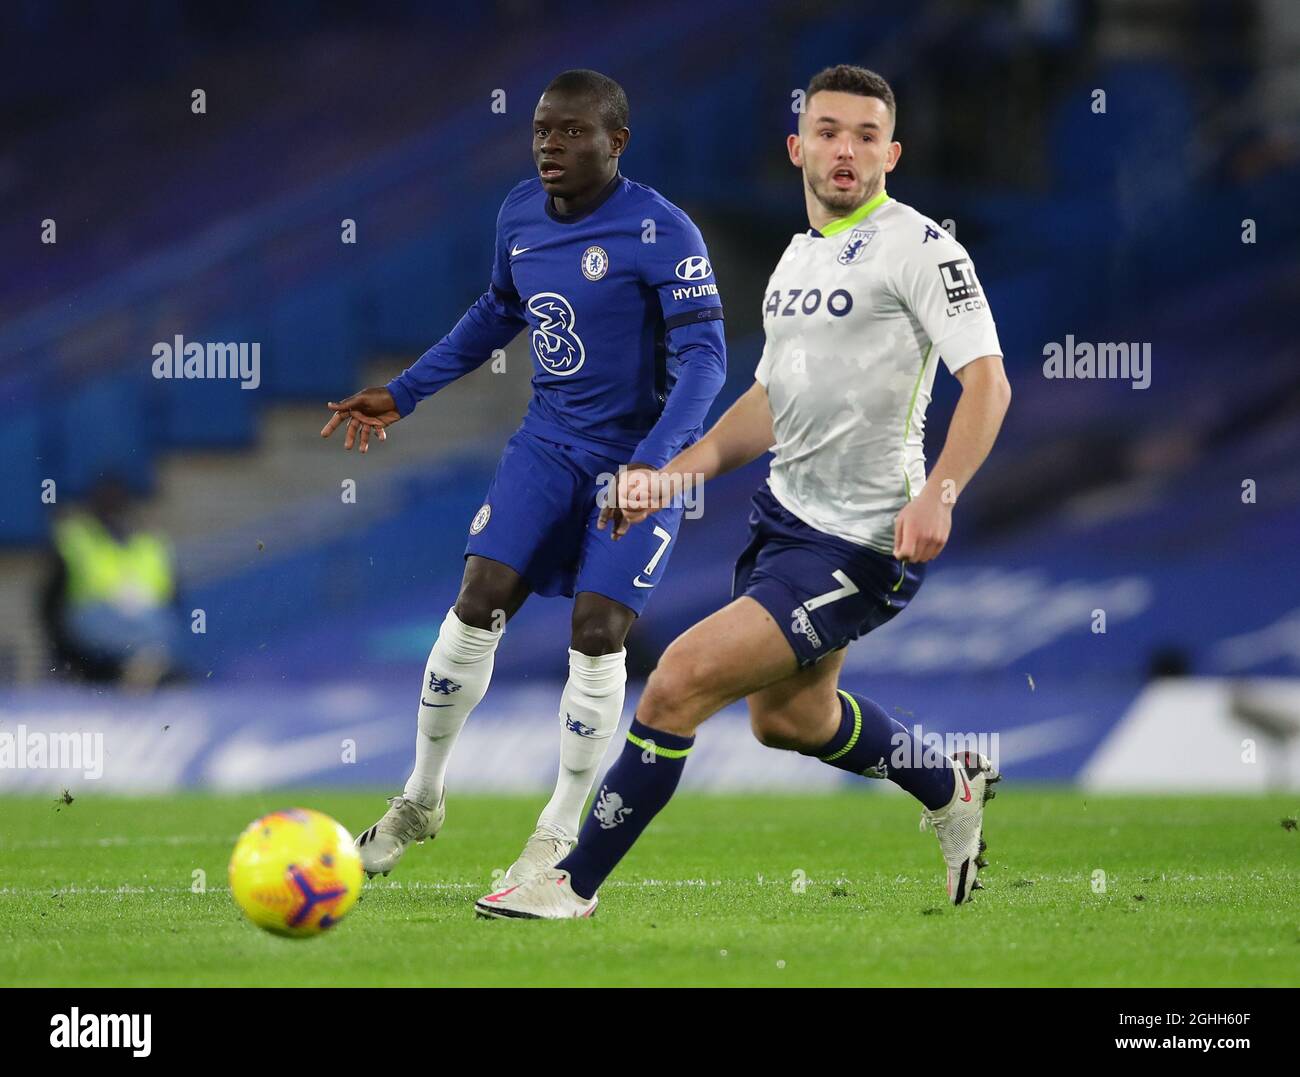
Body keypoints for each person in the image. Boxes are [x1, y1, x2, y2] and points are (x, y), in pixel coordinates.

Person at [476, 64, 1011, 919]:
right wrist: (667, 477)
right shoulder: (797, 259)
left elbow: (988, 382)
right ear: (798, 146)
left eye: (867, 137)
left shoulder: (921, 248)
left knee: (676, 680)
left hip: (865, 539)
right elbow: (767, 402)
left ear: (892, 154)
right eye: (830, 132)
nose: (847, 150)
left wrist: (940, 491)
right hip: (786, 521)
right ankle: (949, 781)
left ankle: (570, 882)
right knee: (792, 719)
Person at [321, 70, 727, 884]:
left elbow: (705, 361)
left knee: (599, 629)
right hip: (547, 444)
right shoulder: (517, 215)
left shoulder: (662, 230)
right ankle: (421, 797)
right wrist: (404, 393)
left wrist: (653, 464)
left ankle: (557, 825)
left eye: (573, 131)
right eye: (543, 129)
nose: (550, 144)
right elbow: (497, 312)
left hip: (637, 457)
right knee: (479, 595)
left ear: (617, 143)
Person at [41, 476, 182, 688]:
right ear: (92, 506)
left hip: (145, 637)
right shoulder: (76, 540)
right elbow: (50, 604)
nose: (112, 510)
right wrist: (64, 655)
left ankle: (142, 670)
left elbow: (174, 602)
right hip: (92, 641)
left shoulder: (150, 545)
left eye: (117, 503)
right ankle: (124, 671)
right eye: (105, 502)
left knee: (154, 625)